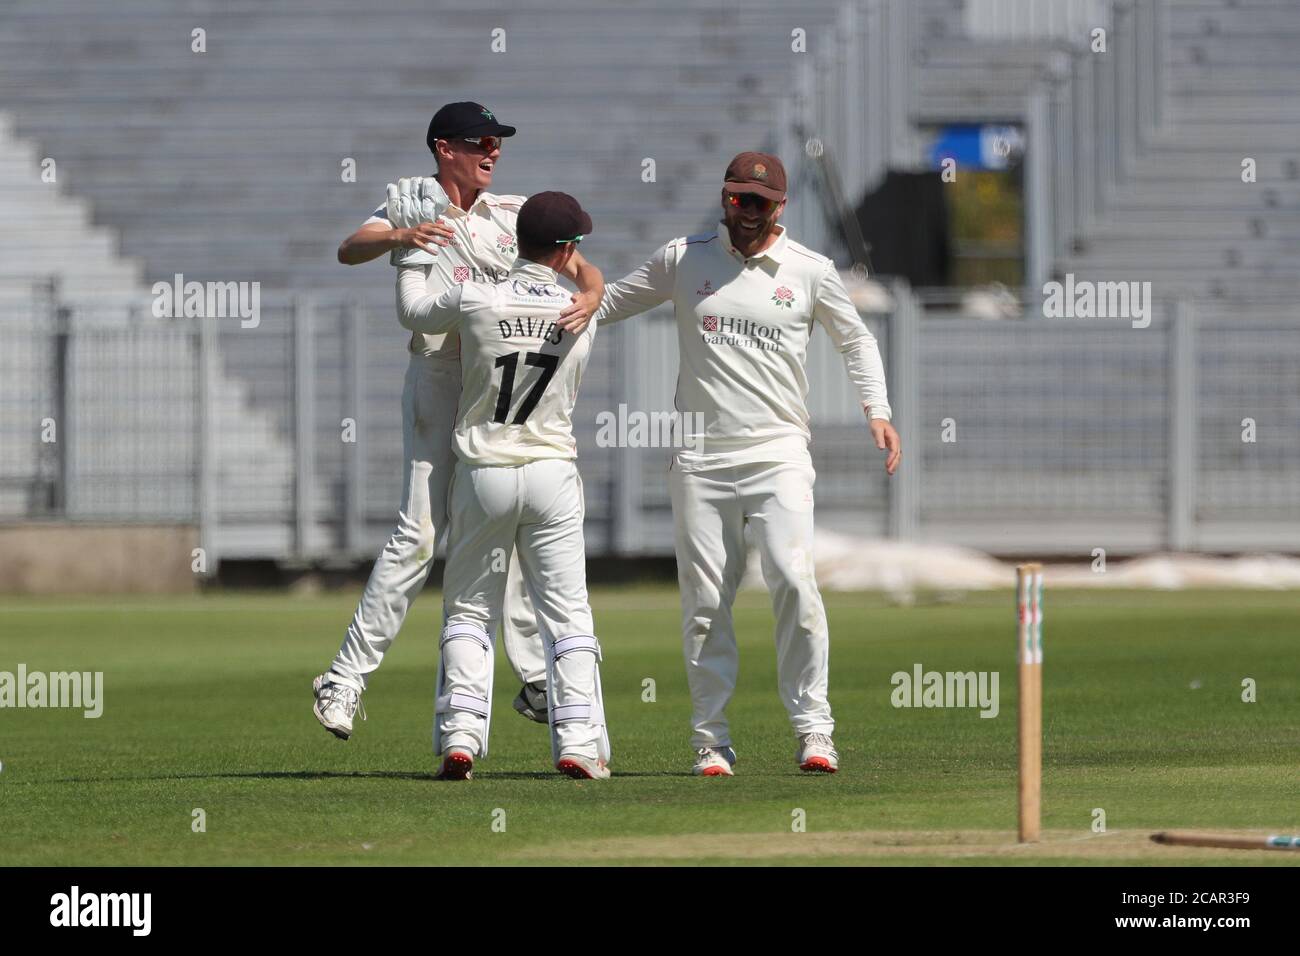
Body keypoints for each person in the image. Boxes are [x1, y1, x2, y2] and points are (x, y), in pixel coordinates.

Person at [596, 152, 901, 776]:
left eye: (757, 203)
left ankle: (815, 730)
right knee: (706, 599)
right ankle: (711, 739)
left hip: (778, 451)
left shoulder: (810, 270)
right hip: (700, 457)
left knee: (793, 579)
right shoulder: (684, 257)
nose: (744, 212)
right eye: (736, 199)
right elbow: (609, 303)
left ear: (780, 207)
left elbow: (856, 338)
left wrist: (878, 407)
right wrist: (538, 304)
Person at [312, 103, 603, 739]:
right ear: (445, 148)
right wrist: (401, 237)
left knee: (515, 516)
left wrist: (592, 292)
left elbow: (579, 262)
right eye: (480, 143)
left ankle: (531, 681)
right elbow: (347, 249)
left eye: (497, 143)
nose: (493, 152)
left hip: (496, 381)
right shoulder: (414, 204)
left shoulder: (509, 211)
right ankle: (344, 678)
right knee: (419, 533)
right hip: (439, 378)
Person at [397, 192, 609, 780]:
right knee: (567, 615)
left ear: (516, 241)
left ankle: (461, 735)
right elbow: (594, 283)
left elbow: (414, 313)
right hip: (551, 471)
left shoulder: (476, 296)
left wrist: (416, 247)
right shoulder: (581, 310)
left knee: (468, 608)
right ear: (568, 250)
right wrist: (586, 281)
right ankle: (577, 743)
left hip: (484, 469)